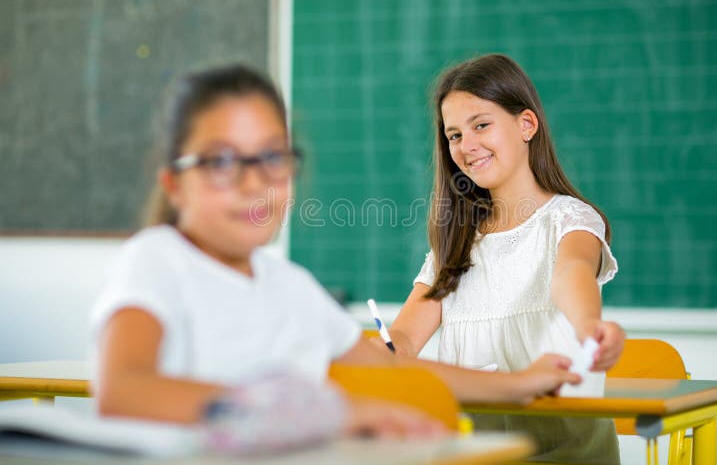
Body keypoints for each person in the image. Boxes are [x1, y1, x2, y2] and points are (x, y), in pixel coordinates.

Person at [91, 64, 581, 454]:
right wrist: (320, 415)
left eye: (271, 158)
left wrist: (520, 383)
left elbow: (390, 371)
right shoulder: (157, 259)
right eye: (220, 160)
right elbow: (124, 392)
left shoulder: (290, 286)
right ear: (174, 183)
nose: (251, 182)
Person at [388, 54, 626, 463]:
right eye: (454, 135)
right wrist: (388, 351)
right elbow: (407, 336)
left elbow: (571, 272)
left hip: (563, 452)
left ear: (526, 125)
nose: (467, 145)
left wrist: (589, 324)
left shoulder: (568, 219)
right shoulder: (456, 241)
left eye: (481, 125)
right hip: (477, 453)